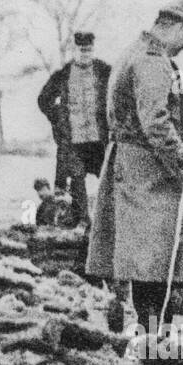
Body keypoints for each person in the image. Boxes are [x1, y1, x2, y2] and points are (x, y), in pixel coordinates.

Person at [86, 0, 183, 333]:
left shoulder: (132, 52)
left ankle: (148, 338)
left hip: (132, 167)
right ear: (174, 27)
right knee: (155, 267)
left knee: (143, 265)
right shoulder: (153, 62)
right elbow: (156, 123)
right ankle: (155, 346)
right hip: (148, 174)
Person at [37, 31, 111, 227]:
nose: (85, 54)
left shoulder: (105, 72)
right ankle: (84, 222)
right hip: (74, 142)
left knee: (108, 179)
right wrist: (58, 119)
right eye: (81, 50)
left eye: (89, 50)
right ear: (74, 50)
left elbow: (119, 96)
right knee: (77, 182)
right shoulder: (63, 75)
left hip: (99, 141)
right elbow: (43, 100)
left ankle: (109, 223)